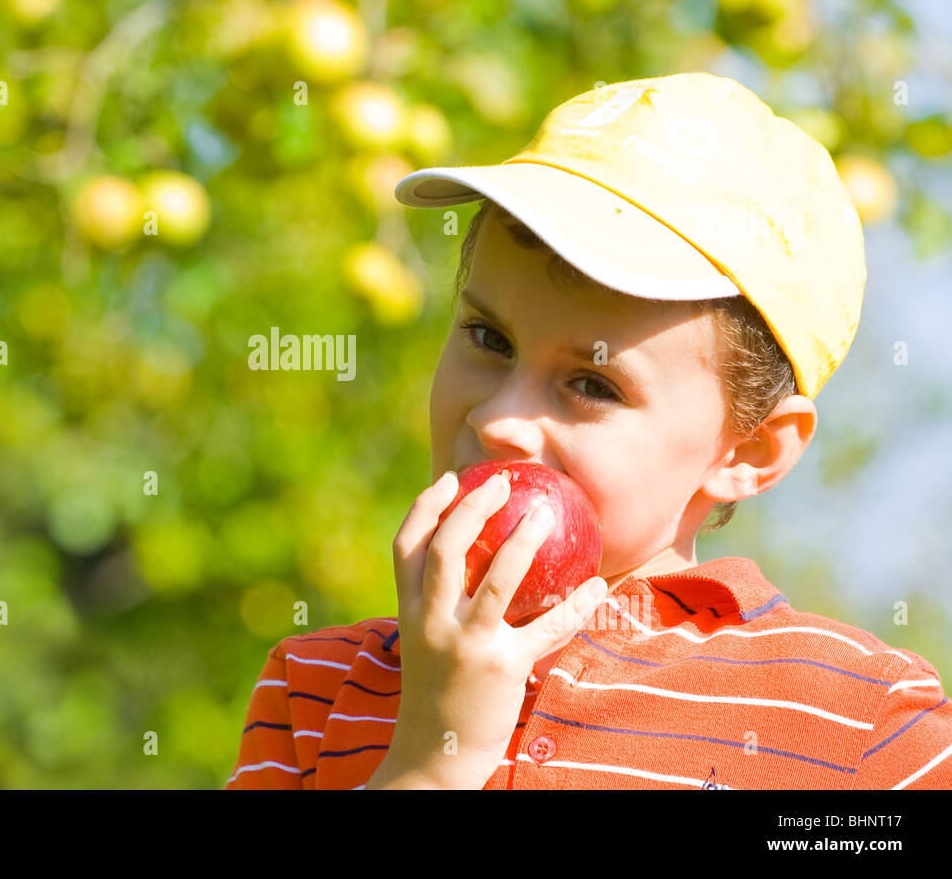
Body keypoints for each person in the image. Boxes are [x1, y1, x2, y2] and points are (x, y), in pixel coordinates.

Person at [226, 73, 952, 789]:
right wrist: (429, 765)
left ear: (751, 450)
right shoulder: (315, 694)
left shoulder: (865, 728)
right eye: (488, 338)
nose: (501, 421)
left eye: (593, 384)